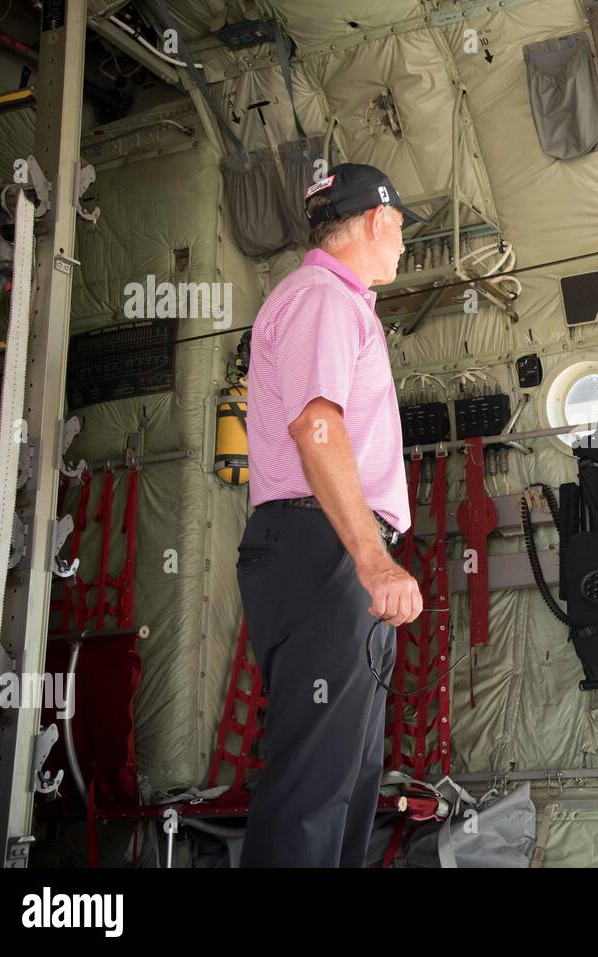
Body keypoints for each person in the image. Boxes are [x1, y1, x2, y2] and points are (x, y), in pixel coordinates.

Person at [235, 163, 422, 867]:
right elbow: (317, 427)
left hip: (323, 547)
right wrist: (372, 558)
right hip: (325, 548)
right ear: (378, 220)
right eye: (401, 228)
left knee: (345, 780)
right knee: (316, 786)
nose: (403, 246)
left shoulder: (334, 304)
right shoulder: (323, 300)